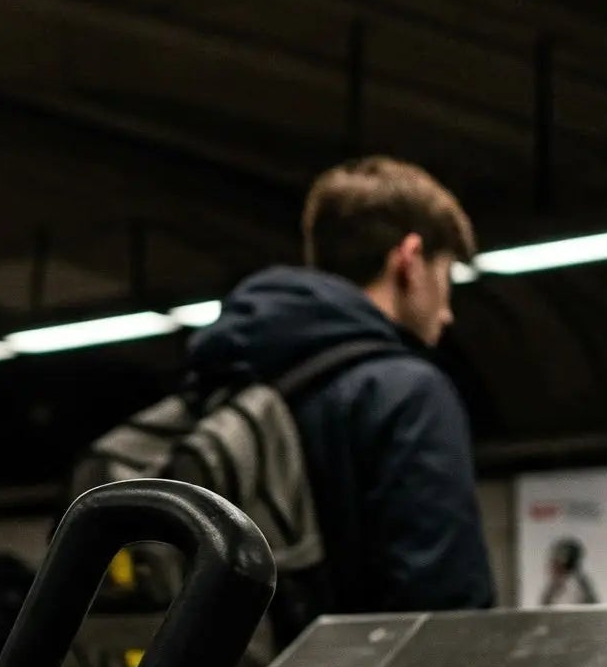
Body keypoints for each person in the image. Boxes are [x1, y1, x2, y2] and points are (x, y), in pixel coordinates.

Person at [185, 156, 496, 615]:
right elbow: (443, 600)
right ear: (409, 261)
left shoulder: (222, 375)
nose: (447, 311)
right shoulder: (406, 394)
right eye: (445, 273)